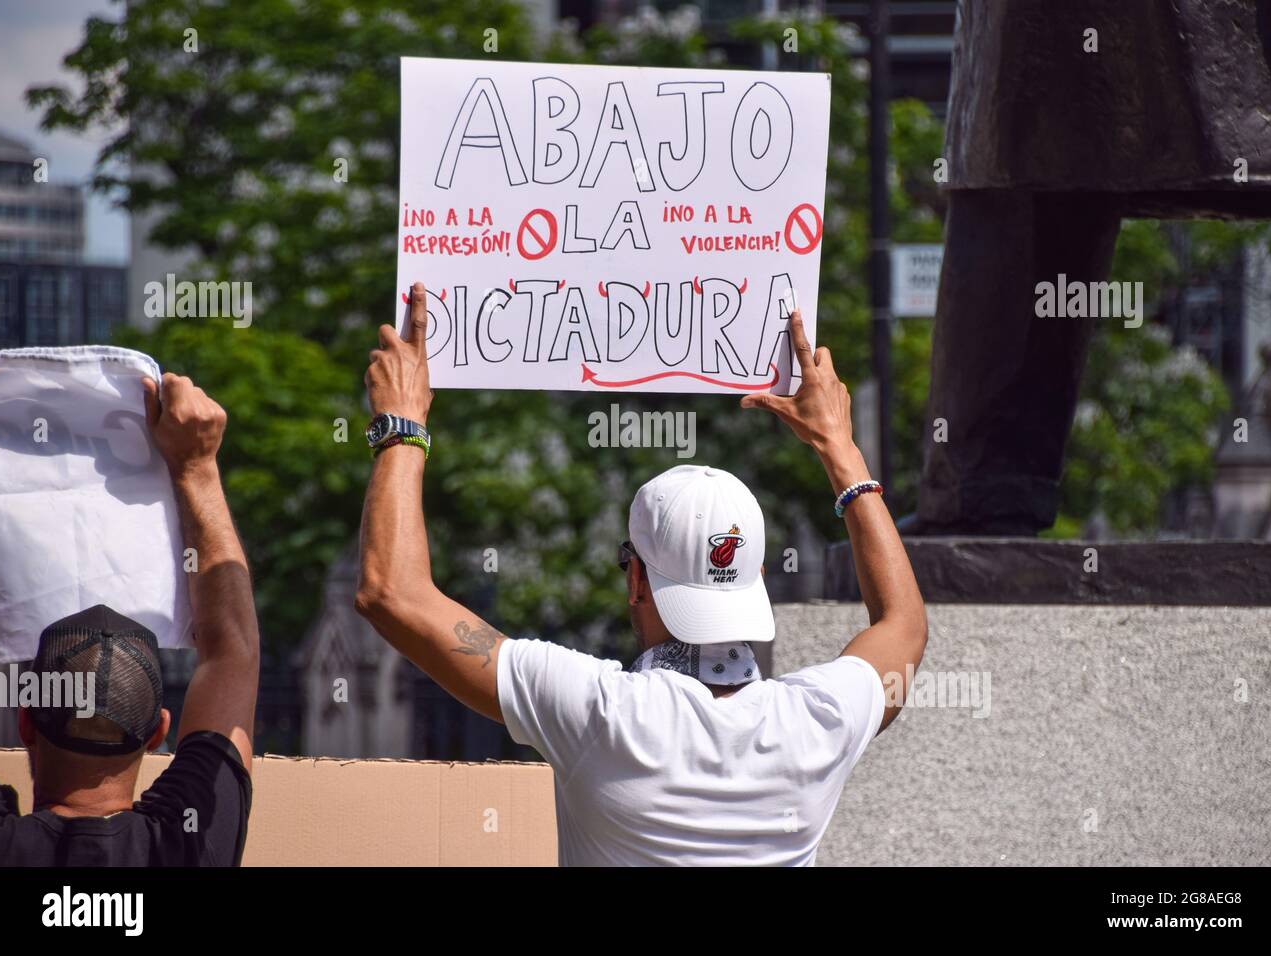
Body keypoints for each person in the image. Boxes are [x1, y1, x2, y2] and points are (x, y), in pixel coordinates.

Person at [356, 283, 927, 866]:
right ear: (755, 575)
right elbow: (904, 625)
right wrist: (839, 446)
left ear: (637, 582)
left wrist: (402, 423)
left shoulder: (598, 713)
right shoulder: (817, 721)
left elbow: (391, 593)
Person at [0, 374, 258, 866]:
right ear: (158, 731)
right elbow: (232, 652)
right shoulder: (189, 846)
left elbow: (232, 653)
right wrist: (197, 467)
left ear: (24, 721)